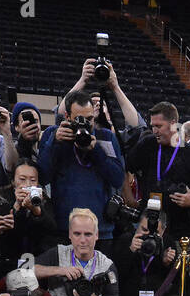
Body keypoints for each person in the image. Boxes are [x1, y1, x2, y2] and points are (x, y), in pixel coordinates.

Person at [37, 88, 125, 244]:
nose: (85, 124)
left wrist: (96, 151)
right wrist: (55, 144)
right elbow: (43, 177)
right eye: (79, 119)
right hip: (65, 230)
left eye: (90, 119)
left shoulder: (105, 137)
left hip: (100, 231)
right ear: (67, 117)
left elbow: (118, 179)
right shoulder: (53, 134)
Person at [127, 101, 190, 242]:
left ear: (173, 124)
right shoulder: (147, 144)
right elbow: (126, 168)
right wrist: (129, 198)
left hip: (181, 231)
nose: (154, 130)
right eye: (153, 126)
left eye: (159, 126)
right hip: (147, 227)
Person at [0, 158, 59, 278]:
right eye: (22, 179)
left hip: (38, 263)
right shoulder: (1, 200)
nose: (27, 184)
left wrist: (37, 211)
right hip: (9, 264)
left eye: (33, 180)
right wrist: (17, 207)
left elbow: (52, 232)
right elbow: (4, 237)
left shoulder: (45, 201)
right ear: (13, 182)